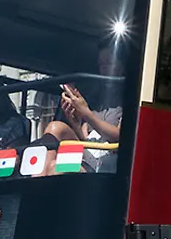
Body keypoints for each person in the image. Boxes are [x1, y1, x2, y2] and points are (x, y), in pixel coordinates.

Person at [42, 36, 124, 171]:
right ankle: (37, 179)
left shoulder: (130, 98)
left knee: (57, 168)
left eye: (109, 63)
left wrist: (85, 112)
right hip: (91, 156)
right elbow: (85, 140)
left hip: (108, 162)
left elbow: (119, 136)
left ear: (122, 66)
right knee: (55, 128)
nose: (103, 68)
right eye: (101, 64)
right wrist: (75, 123)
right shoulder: (96, 99)